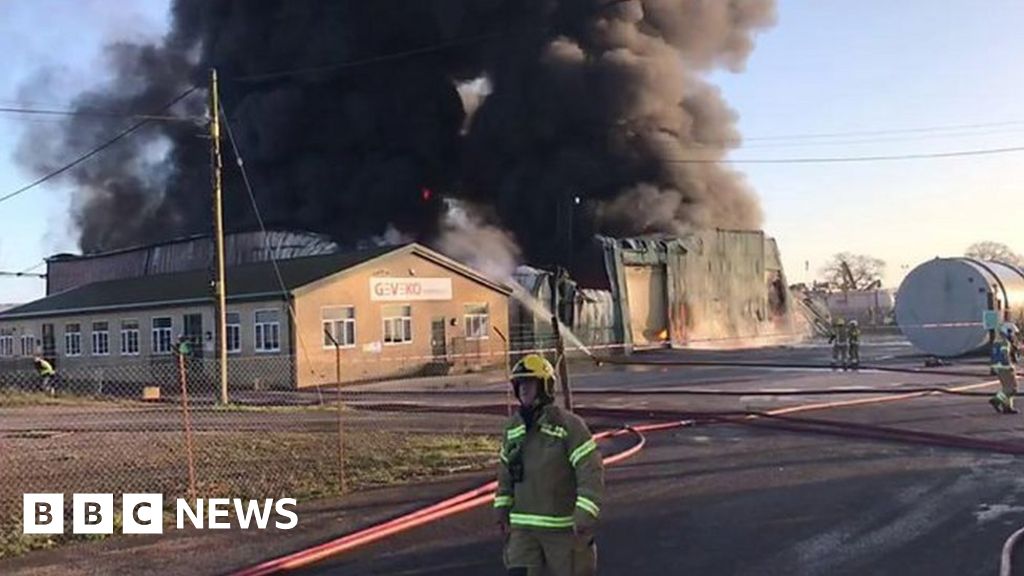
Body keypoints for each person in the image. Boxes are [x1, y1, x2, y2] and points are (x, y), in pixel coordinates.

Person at [495, 354, 604, 576]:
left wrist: (584, 513)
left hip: (562, 528)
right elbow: (505, 474)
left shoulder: (568, 427)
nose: (524, 390)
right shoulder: (513, 429)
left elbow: (590, 471)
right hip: (523, 529)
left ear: (545, 387)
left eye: (530, 383)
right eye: (520, 384)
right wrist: (501, 508)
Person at [989, 322, 1020, 414]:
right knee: (1013, 388)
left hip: (998, 367)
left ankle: (1007, 407)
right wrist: (1009, 365)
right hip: (1005, 367)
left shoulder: (996, 341)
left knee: (1006, 388)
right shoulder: (1005, 342)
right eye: (1012, 333)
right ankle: (996, 400)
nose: (1013, 336)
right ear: (1008, 331)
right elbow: (1004, 354)